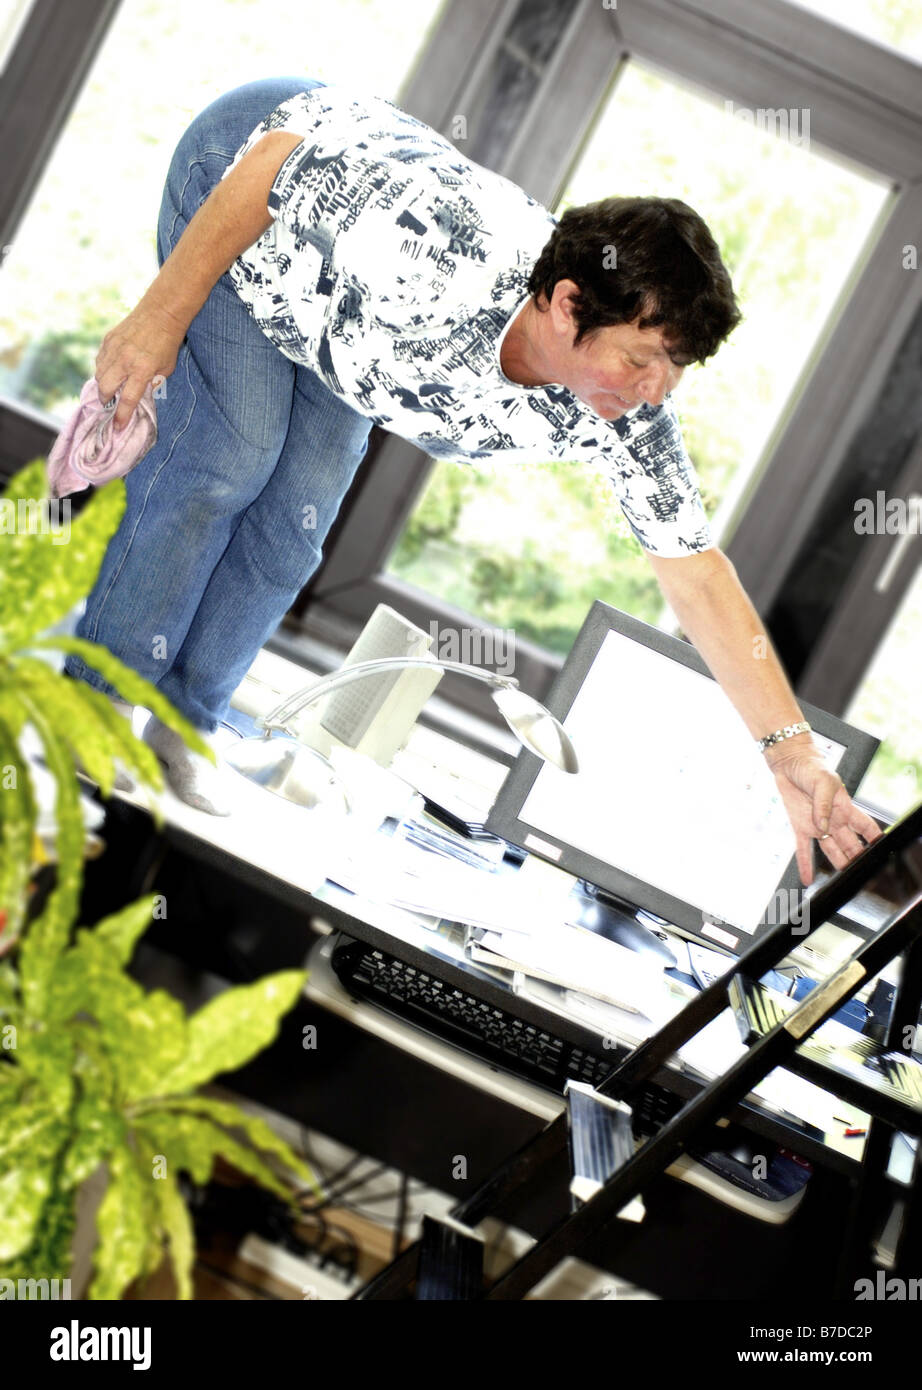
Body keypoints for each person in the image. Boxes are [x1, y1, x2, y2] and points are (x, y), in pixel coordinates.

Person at [66, 75, 881, 883]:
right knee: (229, 461)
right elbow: (274, 165)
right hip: (248, 189)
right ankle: (92, 706)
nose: (651, 394)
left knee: (294, 529)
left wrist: (792, 755)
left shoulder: (626, 412)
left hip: (352, 324)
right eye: (639, 361)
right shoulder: (440, 253)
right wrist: (158, 317)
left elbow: (699, 576)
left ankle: (184, 721)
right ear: (567, 304)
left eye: (671, 372)